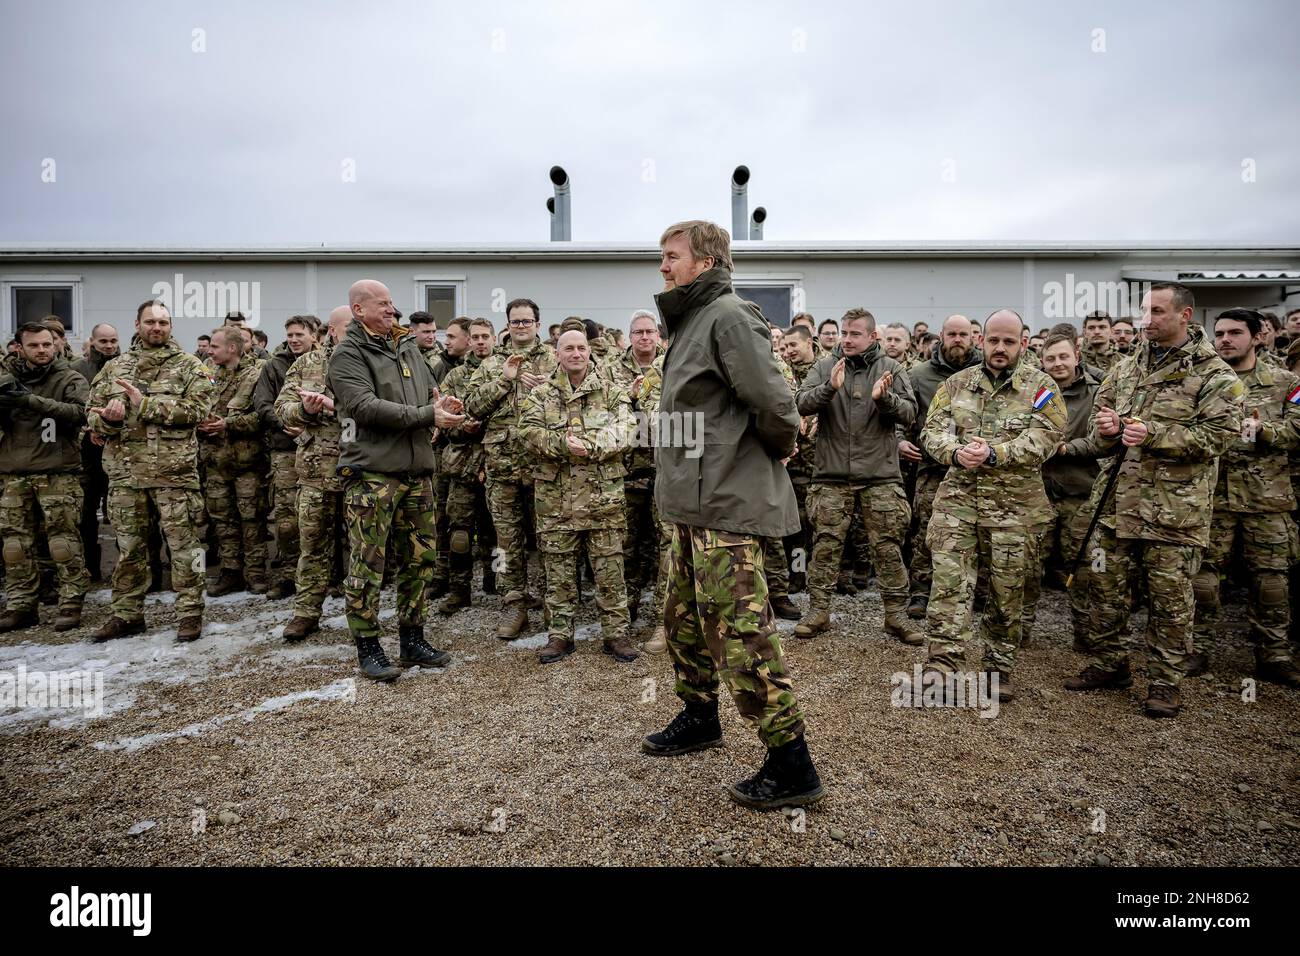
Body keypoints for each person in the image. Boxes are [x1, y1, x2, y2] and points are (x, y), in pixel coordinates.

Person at [640, 219, 822, 811]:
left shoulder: (728, 316)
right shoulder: (691, 320)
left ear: (707, 261)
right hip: (691, 504)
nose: (663, 266)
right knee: (685, 618)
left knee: (741, 632)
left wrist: (777, 446)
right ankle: (699, 716)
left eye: (672, 256)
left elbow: (775, 404)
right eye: (662, 257)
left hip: (725, 506)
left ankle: (792, 764)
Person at [1064, 283, 1244, 718]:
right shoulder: (1125, 369)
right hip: (1116, 505)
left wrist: (1155, 434)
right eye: (1144, 310)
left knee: (1170, 599)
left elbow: (1222, 436)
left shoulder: (1216, 375)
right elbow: (1099, 433)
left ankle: (1165, 682)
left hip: (1173, 513)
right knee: (1105, 589)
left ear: (1185, 316)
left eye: (1158, 311)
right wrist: (1107, 431)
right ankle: (1112, 664)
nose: (1147, 319)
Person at [920, 310, 1066, 702]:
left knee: (1007, 589)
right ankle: (942, 662)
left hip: (1015, 509)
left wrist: (997, 453)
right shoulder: (956, 384)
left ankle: (998, 666)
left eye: (1009, 341)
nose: (1000, 348)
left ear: (1023, 342)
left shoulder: (1041, 386)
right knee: (949, 582)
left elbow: (1048, 436)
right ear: (980, 339)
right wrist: (955, 452)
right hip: (958, 503)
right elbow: (931, 431)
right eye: (993, 340)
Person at [327, 280, 465, 680]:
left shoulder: (405, 346)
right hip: (373, 475)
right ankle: (368, 646)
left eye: (391, 303)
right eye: (383, 304)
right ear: (358, 310)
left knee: (419, 560)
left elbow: (424, 395)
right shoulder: (347, 354)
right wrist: (426, 416)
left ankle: (412, 639)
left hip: (416, 471)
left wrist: (439, 407)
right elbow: (363, 407)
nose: (392, 310)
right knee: (368, 563)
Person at [87, 299, 214, 643]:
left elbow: (199, 409)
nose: (157, 328)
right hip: (127, 476)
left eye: (163, 322)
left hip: (174, 477)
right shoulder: (115, 368)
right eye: (150, 322)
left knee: (186, 549)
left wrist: (144, 405)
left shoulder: (190, 366)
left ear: (171, 327)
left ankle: (190, 613)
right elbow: (92, 413)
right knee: (130, 551)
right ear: (137, 324)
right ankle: (127, 614)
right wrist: (107, 420)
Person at [793, 308, 922, 645]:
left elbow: (910, 413)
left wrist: (885, 399)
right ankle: (818, 612)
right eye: (844, 333)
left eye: (854, 334)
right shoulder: (824, 366)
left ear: (871, 337)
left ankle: (896, 615)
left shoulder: (891, 368)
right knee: (824, 546)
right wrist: (829, 389)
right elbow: (800, 403)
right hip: (831, 475)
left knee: (888, 547)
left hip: (880, 475)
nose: (846, 340)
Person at [1190, 309, 1300, 687]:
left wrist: (1264, 431)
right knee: (1202, 581)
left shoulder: (1286, 382)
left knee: (1271, 583)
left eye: (1235, 333)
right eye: (1219, 333)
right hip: (1213, 500)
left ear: (1257, 336)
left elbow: (1298, 430)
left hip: (1265, 500)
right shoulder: (1200, 382)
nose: (1224, 340)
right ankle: (1196, 647)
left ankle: (1274, 654)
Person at [519, 325, 637, 664]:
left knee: (610, 571)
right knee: (557, 573)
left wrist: (590, 445)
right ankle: (559, 635)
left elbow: (627, 429)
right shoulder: (542, 395)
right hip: (556, 502)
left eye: (581, 348)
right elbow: (527, 432)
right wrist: (559, 444)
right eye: (568, 348)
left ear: (590, 351)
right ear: (557, 354)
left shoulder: (612, 392)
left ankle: (616, 634)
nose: (575, 353)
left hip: (603, 501)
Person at [464, 298, 557, 638]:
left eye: (527, 320)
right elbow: (471, 407)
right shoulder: (491, 364)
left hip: (543, 466)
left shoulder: (553, 359)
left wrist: (546, 387)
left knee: (548, 539)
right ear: (507, 324)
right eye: (515, 321)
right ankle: (513, 605)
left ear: (537, 323)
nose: (521, 326)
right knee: (506, 543)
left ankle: (552, 604)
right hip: (502, 468)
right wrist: (505, 381)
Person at [0, 322, 90, 631]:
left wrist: (30, 401)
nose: (42, 350)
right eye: (34, 345)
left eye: (46, 344)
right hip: (13, 473)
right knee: (15, 546)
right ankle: (21, 604)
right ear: (19, 348)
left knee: (63, 543)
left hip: (57, 474)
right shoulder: (5, 380)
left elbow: (80, 413)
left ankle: (71, 601)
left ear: (55, 345)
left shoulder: (69, 378)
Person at [275, 306, 350, 641]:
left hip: (362, 472)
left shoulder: (377, 364)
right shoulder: (308, 364)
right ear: (331, 331)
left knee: (365, 550)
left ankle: (362, 614)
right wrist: (304, 409)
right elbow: (282, 408)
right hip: (316, 471)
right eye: (350, 327)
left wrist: (339, 408)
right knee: (313, 545)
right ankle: (306, 612)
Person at [1023, 331, 1101, 647]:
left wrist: (1069, 448)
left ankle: (1087, 635)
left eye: (1063, 357)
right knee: (1026, 566)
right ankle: (1019, 632)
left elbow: (1104, 439)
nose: (1057, 363)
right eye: (1051, 358)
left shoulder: (1096, 392)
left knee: (1083, 570)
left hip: (1080, 495)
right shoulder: (1034, 391)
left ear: (1076, 357)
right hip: (1038, 494)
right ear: (1042, 361)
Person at [900, 314, 980, 618]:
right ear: (941, 337)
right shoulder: (919, 375)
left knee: (976, 532)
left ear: (973, 337)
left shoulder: (984, 371)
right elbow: (903, 414)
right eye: (952, 334)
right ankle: (921, 591)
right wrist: (899, 440)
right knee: (927, 533)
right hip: (932, 468)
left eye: (963, 334)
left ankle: (975, 593)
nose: (957, 339)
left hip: (976, 469)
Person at [198, 326, 269, 595]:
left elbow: (263, 415)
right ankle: (230, 572)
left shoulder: (258, 372)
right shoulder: (206, 372)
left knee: (252, 520)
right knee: (223, 521)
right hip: (214, 461)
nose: (209, 350)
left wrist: (228, 424)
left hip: (247, 463)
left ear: (231, 348)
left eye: (214, 346)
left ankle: (255, 573)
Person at [608, 309, 666, 637]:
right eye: (638, 332)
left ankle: (662, 613)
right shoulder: (611, 370)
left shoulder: (671, 366)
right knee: (625, 543)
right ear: (629, 337)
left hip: (663, 469)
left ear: (657, 335)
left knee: (664, 544)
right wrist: (629, 398)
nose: (644, 337)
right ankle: (626, 604)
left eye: (649, 331)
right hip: (625, 470)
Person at [435, 318, 498, 615]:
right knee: (459, 532)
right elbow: (443, 424)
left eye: (486, 336)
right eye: (476, 337)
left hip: (499, 465)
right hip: (462, 466)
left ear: (495, 338)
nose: (481, 341)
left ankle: (498, 580)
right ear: (469, 341)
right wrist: (464, 429)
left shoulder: (506, 371)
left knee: (500, 533)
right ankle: (460, 590)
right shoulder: (455, 377)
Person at [254, 315, 318, 599]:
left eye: (299, 335)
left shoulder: (327, 362)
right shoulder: (274, 366)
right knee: (287, 519)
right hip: (285, 450)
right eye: (290, 334)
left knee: (318, 517)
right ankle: (288, 574)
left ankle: (322, 576)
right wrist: (286, 423)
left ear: (313, 335)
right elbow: (263, 405)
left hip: (319, 450)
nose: (293, 339)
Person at [73, 323, 120, 581]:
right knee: (87, 512)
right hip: (87, 452)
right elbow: (76, 406)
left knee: (121, 514)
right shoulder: (78, 370)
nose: (109, 346)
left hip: (118, 450)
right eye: (104, 341)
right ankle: (91, 566)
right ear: (92, 342)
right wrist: (91, 426)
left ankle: (122, 568)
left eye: (113, 340)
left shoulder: (126, 366)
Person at [1081, 310, 1119, 375]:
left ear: (1112, 331)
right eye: (1091, 328)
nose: (1096, 332)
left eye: (1102, 327)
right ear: (1084, 333)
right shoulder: (1076, 360)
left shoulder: (1124, 361)